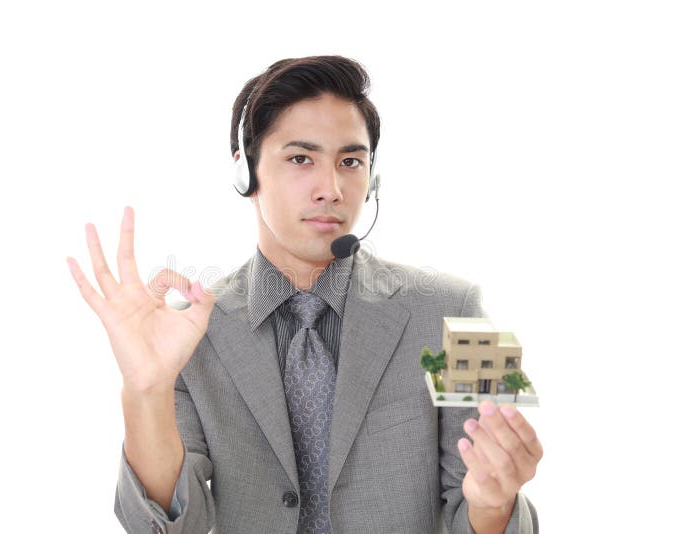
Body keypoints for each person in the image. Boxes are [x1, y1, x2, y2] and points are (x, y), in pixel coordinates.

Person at [66, 55, 543, 534]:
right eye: (301, 158)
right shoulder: (183, 332)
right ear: (246, 172)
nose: (331, 189)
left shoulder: (465, 312)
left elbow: (508, 505)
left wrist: (493, 503)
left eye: (351, 161)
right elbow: (165, 526)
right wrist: (144, 392)